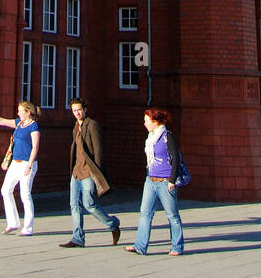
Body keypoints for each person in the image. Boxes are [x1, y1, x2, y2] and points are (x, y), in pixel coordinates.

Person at [60, 98, 120, 248]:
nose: (77, 113)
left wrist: (97, 175)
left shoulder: (92, 125)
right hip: (76, 172)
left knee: (89, 204)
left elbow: (98, 151)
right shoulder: (75, 127)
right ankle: (77, 238)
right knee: (74, 205)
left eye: (79, 110)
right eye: (74, 110)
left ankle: (113, 224)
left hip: (88, 171)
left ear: (85, 110)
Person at [0, 101, 40, 235]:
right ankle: (13, 223)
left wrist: (30, 165)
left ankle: (28, 228)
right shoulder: (19, 123)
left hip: (27, 163)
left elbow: (35, 147)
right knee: (5, 190)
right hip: (15, 163)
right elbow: (3, 121)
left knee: (25, 195)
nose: (18, 113)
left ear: (28, 112)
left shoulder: (34, 127)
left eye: (20, 111)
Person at [127, 107, 185, 256]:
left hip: (165, 181)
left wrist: (172, 180)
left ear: (155, 121)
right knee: (145, 213)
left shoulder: (167, 136)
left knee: (172, 215)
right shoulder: (150, 138)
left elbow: (175, 158)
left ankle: (177, 247)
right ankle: (140, 246)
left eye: (147, 121)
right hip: (150, 180)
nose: (144, 123)